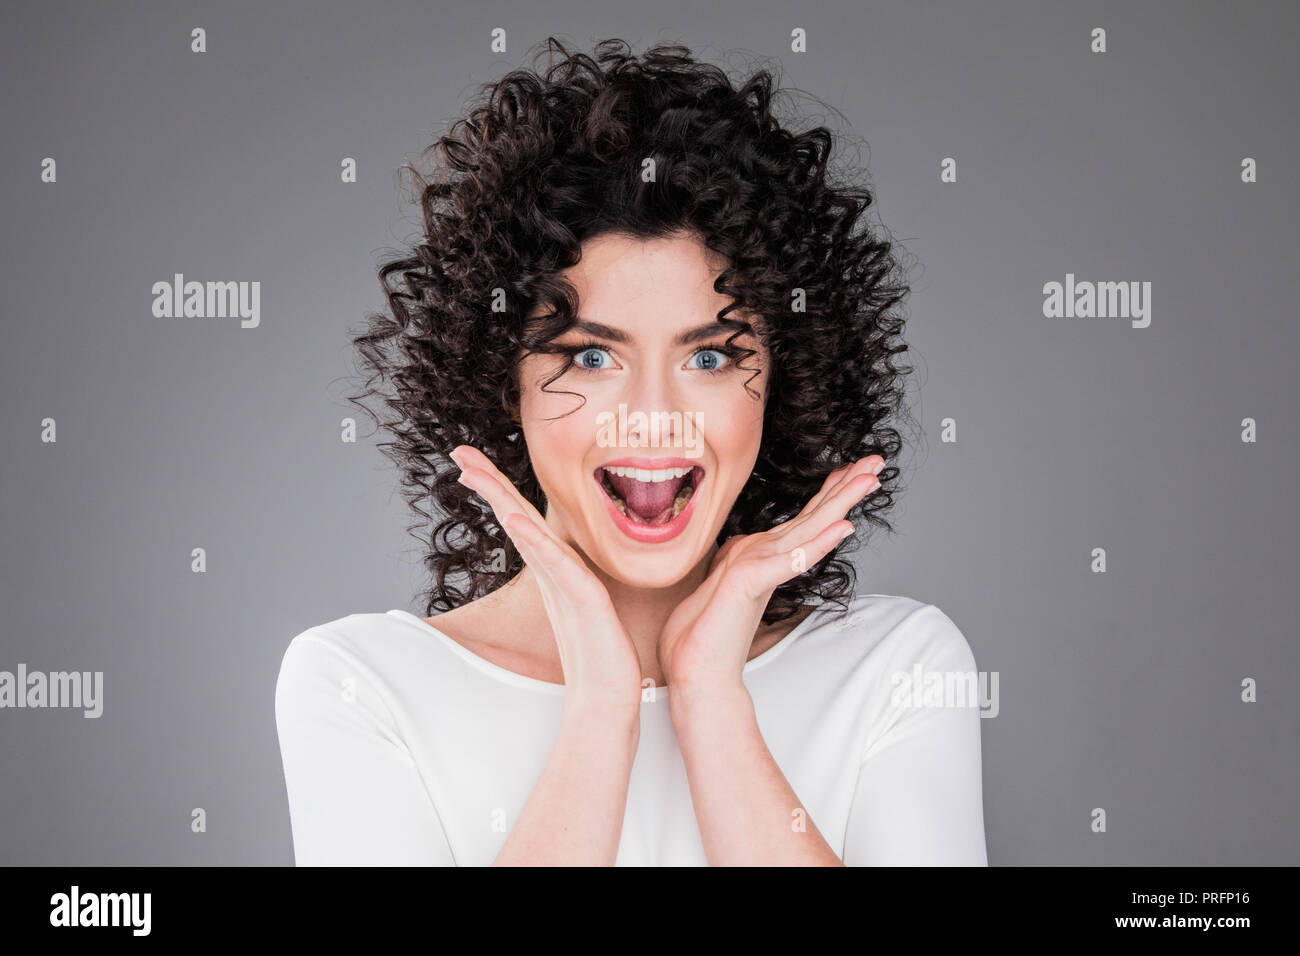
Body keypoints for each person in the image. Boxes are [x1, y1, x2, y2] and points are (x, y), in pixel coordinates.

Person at [274, 36, 987, 866]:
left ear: (785, 382)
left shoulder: (899, 671)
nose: (654, 418)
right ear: (505, 384)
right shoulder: (360, 685)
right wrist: (602, 709)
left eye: (710, 357)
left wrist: (711, 699)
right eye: (591, 356)